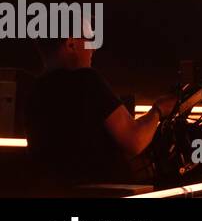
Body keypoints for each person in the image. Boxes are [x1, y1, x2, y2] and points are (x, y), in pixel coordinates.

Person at [25, 33, 189, 187]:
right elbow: (134, 140)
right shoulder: (86, 81)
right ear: (70, 44)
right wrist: (158, 110)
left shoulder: (33, 91)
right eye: (89, 39)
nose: (94, 48)